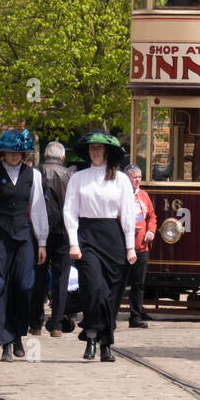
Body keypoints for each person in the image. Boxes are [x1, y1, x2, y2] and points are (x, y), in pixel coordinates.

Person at [63, 132, 138, 361]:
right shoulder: (79, 178)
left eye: (99, 148)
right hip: (87, 237)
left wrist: (130, 246)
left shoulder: (121, 180)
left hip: (113, 238)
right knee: (94, 288)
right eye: (92, 148)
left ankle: (106, 343)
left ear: (107, 151)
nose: (95, 152)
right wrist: (73, 242)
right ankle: (92, 336)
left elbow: (127, 214)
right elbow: (70, 211)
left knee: (111, 295)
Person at [0, 130, 49, 362]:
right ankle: (6, 342)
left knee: (24, 285)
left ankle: (18, 333)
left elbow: (38, 209)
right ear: (3, 153)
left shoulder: (33, 175)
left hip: (24, 236)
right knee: (2, 286)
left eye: (20, 152)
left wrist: (42, 241)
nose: (16, 156)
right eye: (11, 152)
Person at [40, 141, 75, 337]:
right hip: (64, 232)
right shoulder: (69, 175)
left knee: (39, 276)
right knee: (61, 279)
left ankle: (35, 322)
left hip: (40, 233)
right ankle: (56, 324)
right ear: (62, 158)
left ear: (45, 156)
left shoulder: (37, 172)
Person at [124, 164, 158, 328]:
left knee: (139, 284)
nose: (137, 180)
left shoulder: (144, 196)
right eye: (134, 177)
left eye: (139, 177)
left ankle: (135, 317)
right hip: (122, 247)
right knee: (118, 283)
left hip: (141, 246)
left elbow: (152, 217)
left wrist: (151, 231)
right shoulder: (121, 195)